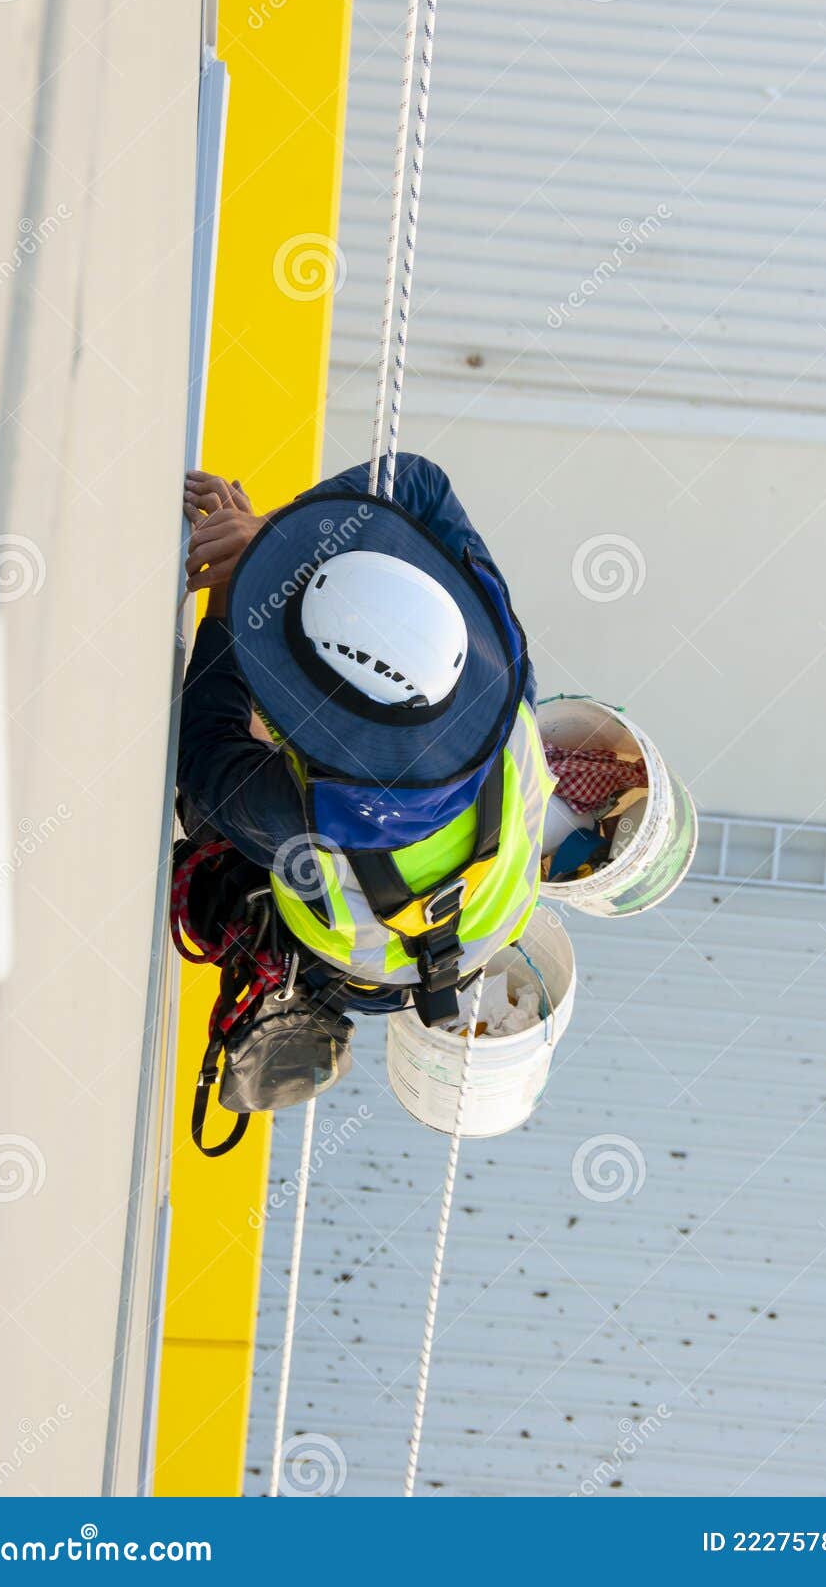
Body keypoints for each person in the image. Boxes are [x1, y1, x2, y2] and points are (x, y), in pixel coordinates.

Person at [176, 455, 554, 1144]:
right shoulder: (497, 666)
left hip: (357, 962)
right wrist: (273, 540)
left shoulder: (304, 818)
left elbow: (202, 748)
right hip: (487, 918)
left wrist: (236, 595)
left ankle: (314, 996)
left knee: (209, 826)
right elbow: (415, 481)